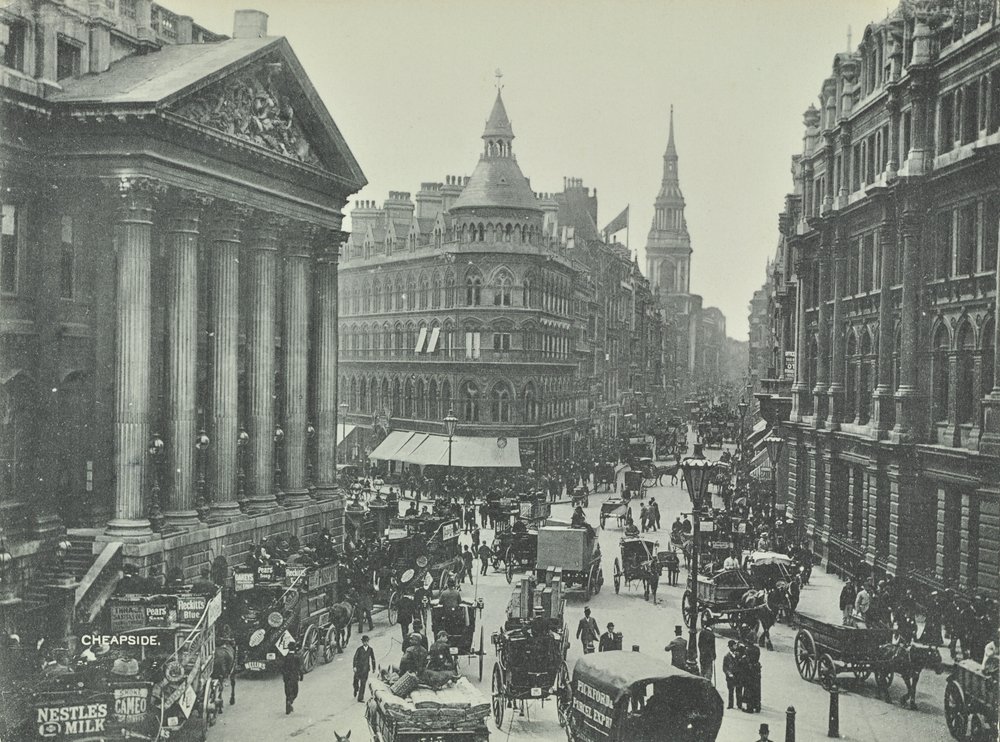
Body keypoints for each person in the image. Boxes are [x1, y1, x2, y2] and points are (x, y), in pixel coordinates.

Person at [282, 641, 304, 714]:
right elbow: (299, 668)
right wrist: (301, 675)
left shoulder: (285, 657)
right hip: (294, 677)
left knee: (288, 693)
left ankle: (287, 709)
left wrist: (284, 675)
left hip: (286, 677)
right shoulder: (297, 657)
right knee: (295, 692)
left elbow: (282, 667)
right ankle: (290, 701)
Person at [352, 635, 376, 702]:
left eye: (367, 641)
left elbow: (373, 659)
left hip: (365, 669)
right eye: (364, 641)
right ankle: (356, 689)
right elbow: (355, 658)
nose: (365, 643)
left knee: (363, 683)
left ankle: (360, 698)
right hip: (358, 669)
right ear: (362, 642)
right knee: (356, 681)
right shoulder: (359, 649)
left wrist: (374, 668)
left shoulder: (370, 649)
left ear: (368, 641)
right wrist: (354, 667)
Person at [722, 640, 739, 709]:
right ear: (730, 647)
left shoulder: (738, 655)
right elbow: (724, 667)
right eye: (734, 646)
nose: (735, 647)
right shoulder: (726, 656)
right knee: (730, 690)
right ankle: (730, 704)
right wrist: (729, 673)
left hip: (737, 675)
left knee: (738, 690)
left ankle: (739, 704)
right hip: (730, 676)